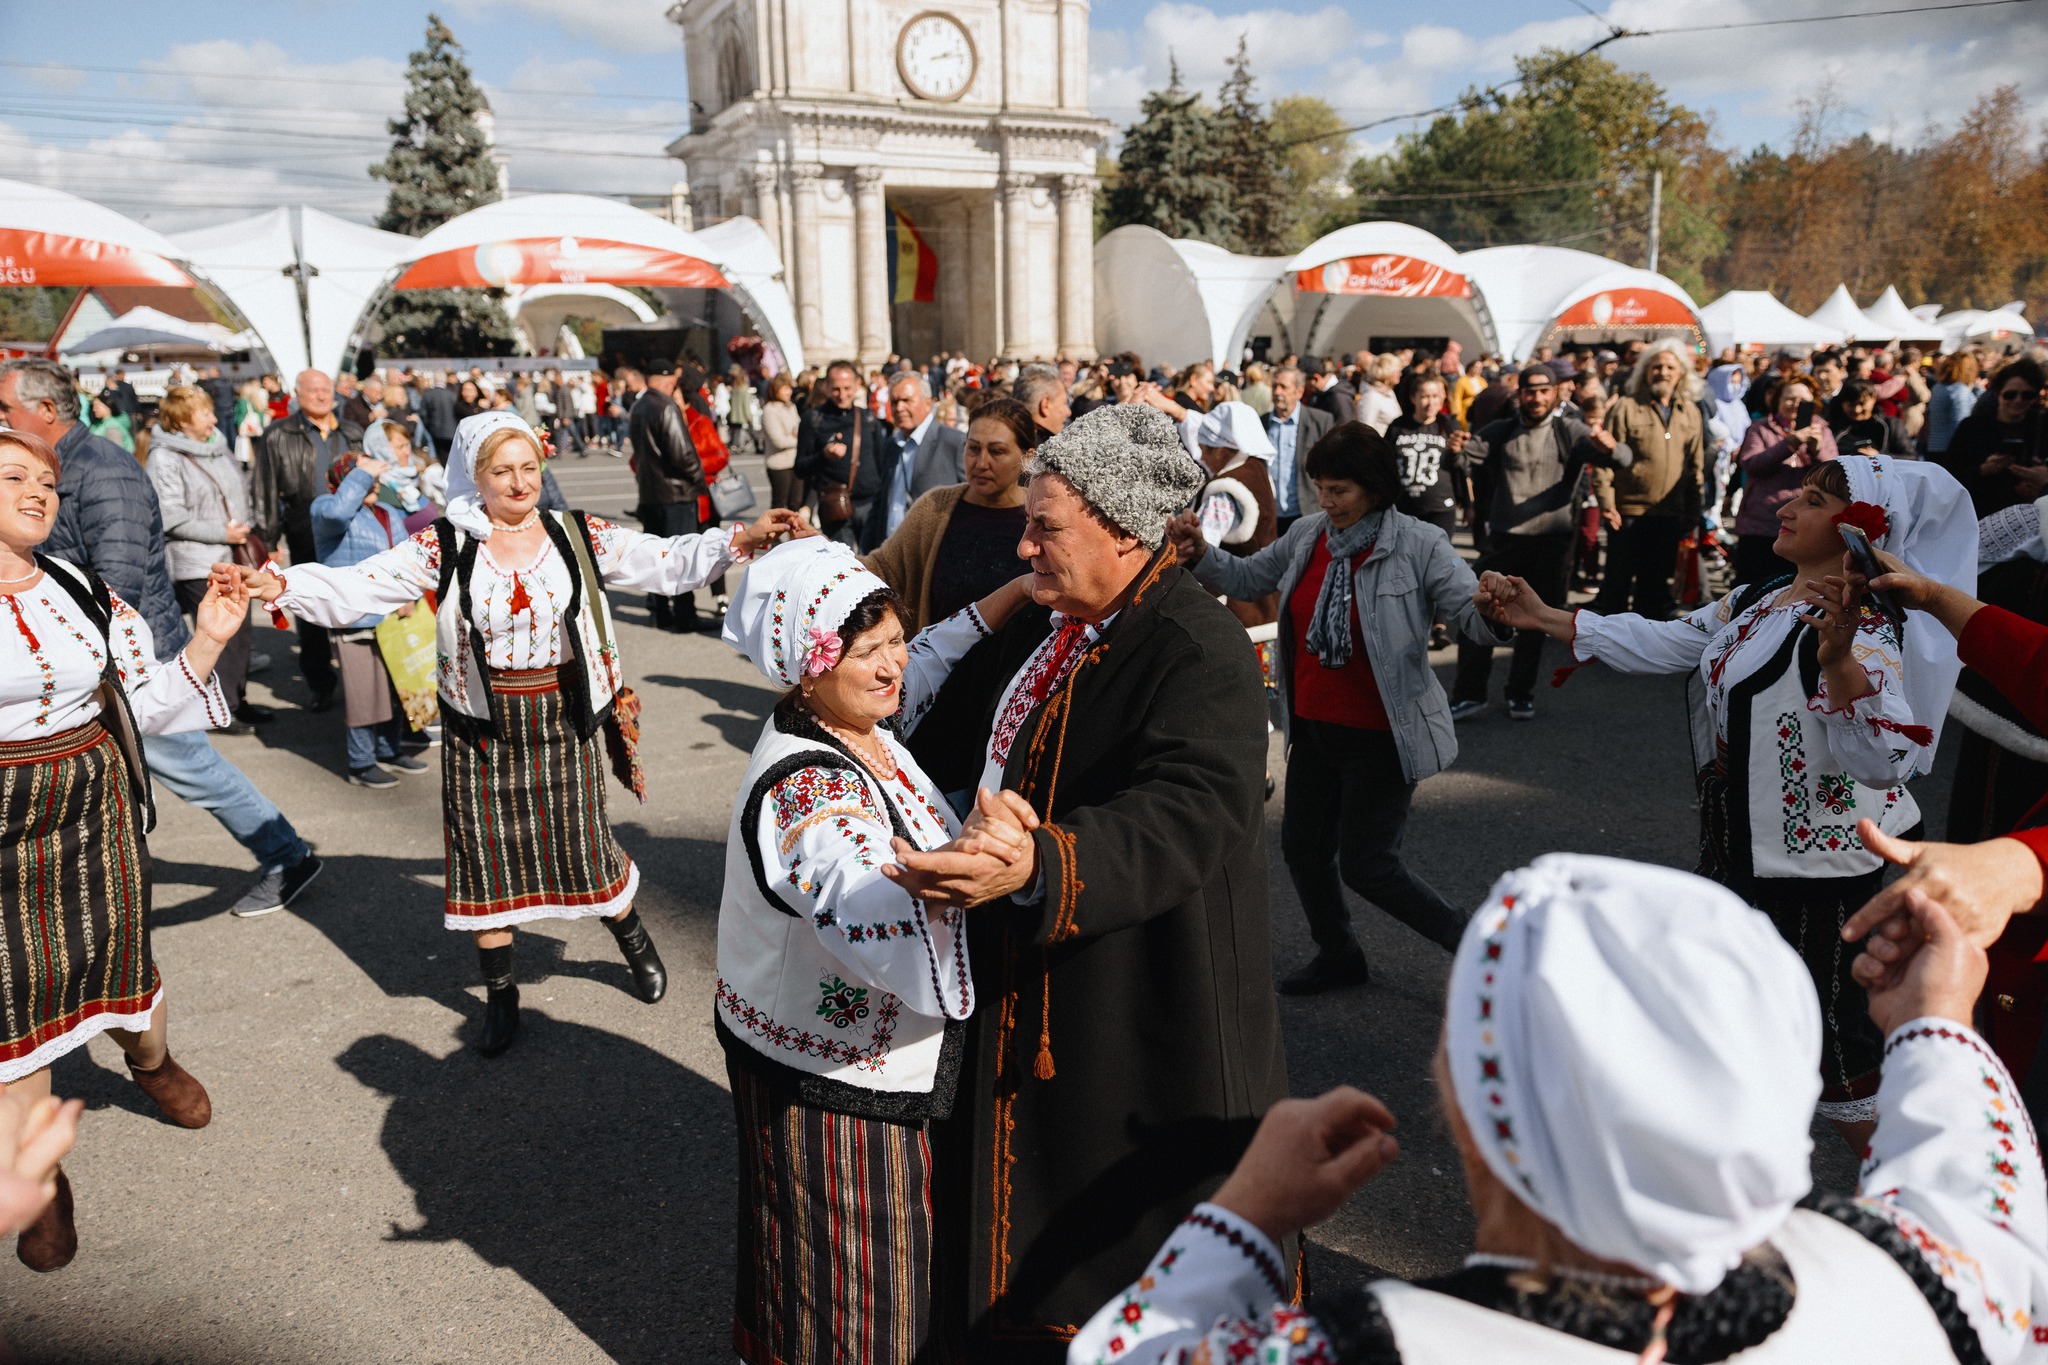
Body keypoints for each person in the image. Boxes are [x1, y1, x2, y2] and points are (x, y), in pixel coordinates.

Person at [1072, 853, 2048, 1365]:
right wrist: (1931, 1016)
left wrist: (1244, 1213)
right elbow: (1966, 1172)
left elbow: (1125, 1355)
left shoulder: (1376, 1349)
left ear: (1480, 1110)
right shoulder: (1920, 1274)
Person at [885, 402, 1290, 1359]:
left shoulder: (1199, 648)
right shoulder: (1072, 618)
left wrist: (1044, 862)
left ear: (1124, 529)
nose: (1023, 543)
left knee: (1119, 1268)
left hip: (1143, 1009)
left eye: (1046, 525)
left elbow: (1192, 809)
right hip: (1044, 969)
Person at [234, 413, 812, 1056]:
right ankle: (501, 994)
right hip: (480, 725)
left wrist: (743, 537)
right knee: (483, 862)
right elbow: (359, 586)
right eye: (502, 471)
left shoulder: (572, 534)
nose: (519, 483)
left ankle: (632, 939)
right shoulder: (446, 543)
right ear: (474, 479)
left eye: (529, 468)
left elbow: (664, 559)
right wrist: (280, 583)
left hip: (560, 714)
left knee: (583, 841)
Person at [1478, 454, 1976, 1145]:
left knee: (1840, 1056)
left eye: (1813, 500)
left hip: (1815, 880)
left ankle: (1916, 1202)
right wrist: (1547, 617)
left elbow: (1884, 760)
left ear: (1863, 531)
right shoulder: (1759, 597)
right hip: (1739, 853)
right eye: (1796, 491)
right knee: (1731, 1021)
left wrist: (1838, 665)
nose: (1786, 506)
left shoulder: (1863, 626)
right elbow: (1671, 640)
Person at [715, 538, 1034, 1365]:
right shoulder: (806, 783)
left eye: (894, 636)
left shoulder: (856, 716)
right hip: (831, 1073)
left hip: (834, 1053)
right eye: (869, 651)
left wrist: (1020, 587)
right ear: (808, 665)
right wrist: (969, 865)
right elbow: (850, 881)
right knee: (859, 1275)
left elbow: (937, 648)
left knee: (823, 1252)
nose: (894, 664)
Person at [0, 427, 247, 1271]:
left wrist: (209, 636)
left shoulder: (80, 586)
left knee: (120, 974)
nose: (40, 490)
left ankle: (150, 1060)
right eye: (14, 477)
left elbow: (146, 702)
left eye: (47, 480)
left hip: (90, 807)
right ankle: (42, 1177)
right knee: (14, 1015)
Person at [1173, 423, 1508, 995]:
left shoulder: (1419, 543)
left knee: (1368, 865)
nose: (1327, 502)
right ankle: (1340, 953)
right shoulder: (1310, 535)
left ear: (1375, 488)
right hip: (1314, 727)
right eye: (1320, 488)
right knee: (1303, 850)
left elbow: (1470, 614)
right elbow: (1249, 575)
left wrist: (1494, 606)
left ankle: (1481, 948)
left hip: (1383, 734)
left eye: (1340, 491)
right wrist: (1200, 552)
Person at [0, 358, 323, 921]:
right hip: (88, 664)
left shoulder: (101, 470)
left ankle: (287, 855)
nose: (36, 491)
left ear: (45, 410)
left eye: (6, 409)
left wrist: (57, 636)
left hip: (122, 659)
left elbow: (114, 583)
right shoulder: (72, 462)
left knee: (193, 767)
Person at [1449, 365, 1625, 722]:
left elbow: (1621, 459)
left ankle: (1520, 694)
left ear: (1557, 392)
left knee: (1536, 623)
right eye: (1530, 391)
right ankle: (1470, 694)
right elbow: (1460, 460)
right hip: (1504, 541)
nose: (1537, 398)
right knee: (1479, 612)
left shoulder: (1570, 430)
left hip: (1552, 544)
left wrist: (1613, 448)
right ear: (1521, 394)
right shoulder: (1501, 430)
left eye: (1544, 390)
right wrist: (1454, 450)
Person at [309, 451, 429, 787]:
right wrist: (360, 475)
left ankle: (389, 750)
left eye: (373, 476)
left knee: (395, 686)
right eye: (363, 476)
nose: (373, 481)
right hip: (355, 617)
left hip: (392, 615)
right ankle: (360, 763)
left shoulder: (387, 511)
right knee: (364, 693)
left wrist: (411, 594)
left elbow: (409, 558)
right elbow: (337, 514)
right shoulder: (324, 506)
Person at [864, 397, 1036, 632]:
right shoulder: (936, 506)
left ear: (1027, 457)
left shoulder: (1040, 515)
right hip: (939, 666)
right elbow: (882, 569)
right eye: (973, 448)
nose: (981, 462)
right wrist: (824, 551)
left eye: (997, 451)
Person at [149, 383, 263, 731]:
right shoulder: (164, 457)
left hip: (232, 555)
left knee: (241, 633)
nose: (214, 419)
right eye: (204, 413)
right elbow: (169, 516)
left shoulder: (218, 447)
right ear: (182, 420)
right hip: (196, 561)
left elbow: (241, 491)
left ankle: (237, 700)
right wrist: (221, 532)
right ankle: (220, 709)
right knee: (217, 638)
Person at [253, 369, 363, 711]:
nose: (321, 396)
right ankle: (320, 682)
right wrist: (269, 539)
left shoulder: (352, 432)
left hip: (352, 529)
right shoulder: (278, 434)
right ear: (297, 396)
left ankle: (361, 683)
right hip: (304, 527)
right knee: (311, 606)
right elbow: (265, 490)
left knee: (355, 603)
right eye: (313, 390)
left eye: (325, 389)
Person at [1590, 339, 1707, 620]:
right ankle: (1609, 647)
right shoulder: (1626, 407)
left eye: (1670, 367)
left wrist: (1693, 509)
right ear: (1645, 371)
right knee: (1617, 584)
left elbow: (1695, 467)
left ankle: (1645, 650)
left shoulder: (1690, 412)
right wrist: (1607, 504)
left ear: (1681, 373)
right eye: (1656, 367)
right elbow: (1605, 462)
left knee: (1654, 588)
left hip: (1668, 514)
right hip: (1627, 512)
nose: (1663, 372)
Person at [627, 358, 712, 633]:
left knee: (658, 558)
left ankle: (662, 612)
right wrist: (700, 482)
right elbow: (682, 453)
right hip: (675, 494)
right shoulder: (665, 406)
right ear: (668, 380)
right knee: (681, 558)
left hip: (651, 493)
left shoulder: (640, 405)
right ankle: (685, 615)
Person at [1732, 374, 1838, 587]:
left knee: (1792, 588)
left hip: (1805, 525)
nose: (1796, 405)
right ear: (1777, 401)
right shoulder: (1760, 428)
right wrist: (1789, 443)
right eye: (1789, 398)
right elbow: (1752, 463)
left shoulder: (1822, 430)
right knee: (1752, 585)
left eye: (1803, 400)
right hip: (1760, 523)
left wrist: (1816, 450)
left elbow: (1834, 476)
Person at [1187, 401, 1280, 627]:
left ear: (1222, 449)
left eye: (1206, 449)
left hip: (1239, 608)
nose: (1202, 456)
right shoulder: (1256, 469)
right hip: (1268, 596)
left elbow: (1203, 544)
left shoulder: (1225, 491)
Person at [794, 360, 892, 547]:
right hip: (834, 506)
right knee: (845, 569)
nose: (842, 395)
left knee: (873, 566)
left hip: (869, 506)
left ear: (857, 386)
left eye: (847, 388)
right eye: (836, 389)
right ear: (827, 387)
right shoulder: (813, 418)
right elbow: (800, 468)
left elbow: (882, 464)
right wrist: (823, 456)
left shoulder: (868, 418)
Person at [1945, 357, 2048, 515]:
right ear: (1999, 393)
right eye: (2010, 395)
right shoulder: (1973, 427)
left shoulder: (2042, 426)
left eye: (2027, 395)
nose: (2017, 400)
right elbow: (1950, 474)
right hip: (1983, 510)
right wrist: (1983, 469)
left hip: (2032, 513)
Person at [876, 372, 968, 548]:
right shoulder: (891, 445)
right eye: (894, 402)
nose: (899, 408)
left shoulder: (954, 442)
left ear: (928, 403)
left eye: (907, 400)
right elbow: (881, 502)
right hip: (889, 555)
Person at [1384, 370, 1466, 538]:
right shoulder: (1398, 426)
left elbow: (1462, 466)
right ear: (1413, 398)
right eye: (1425, 396)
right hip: (1404, 508)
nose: (1430, 402)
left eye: (1435, 396)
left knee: (1436, 558)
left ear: (1443, 397)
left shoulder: (1449, 425)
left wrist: (1457, 452)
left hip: (1440, 508)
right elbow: (1385, 463)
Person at [1263, 366, 1333, 535]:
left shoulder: (1320, 421)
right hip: (1271, 515)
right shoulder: (1261, 423)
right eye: (1274, 386)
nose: (1277, 392)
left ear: (1299, 392)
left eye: (1283, 387)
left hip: (1307, 513)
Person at [1833, 376, 1914, 458]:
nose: (1857, 410)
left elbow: (1911, 457)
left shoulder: (1892, 426)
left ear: (1874, 398)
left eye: (1862, 404)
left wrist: (1880, 458)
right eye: (1851, 405)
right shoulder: (1833, 427)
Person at [759, 374, 803, 511]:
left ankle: (794, 533)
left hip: (796, 461)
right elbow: (779, 441)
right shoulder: (769, 410)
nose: (788, 392)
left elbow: (799, 429)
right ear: (775, 390)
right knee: (779, 505)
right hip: (779, 464)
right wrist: (797, 439)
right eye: (784, 388)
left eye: (789, 388)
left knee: (796, 504)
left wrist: (795, 436)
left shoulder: (791, 406)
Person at [1926, 351, 1980, 457]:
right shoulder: (1959, 391)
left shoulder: (1938, 387)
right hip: (1951, 449)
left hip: (1934, 445)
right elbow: (1960, 422)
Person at [1355, 353, 1402, 434]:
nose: (1400, 374)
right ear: (1387, 372)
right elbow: (1365, 430)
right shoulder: (1371, 397)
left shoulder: (1389, 392)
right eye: (1397, 371)